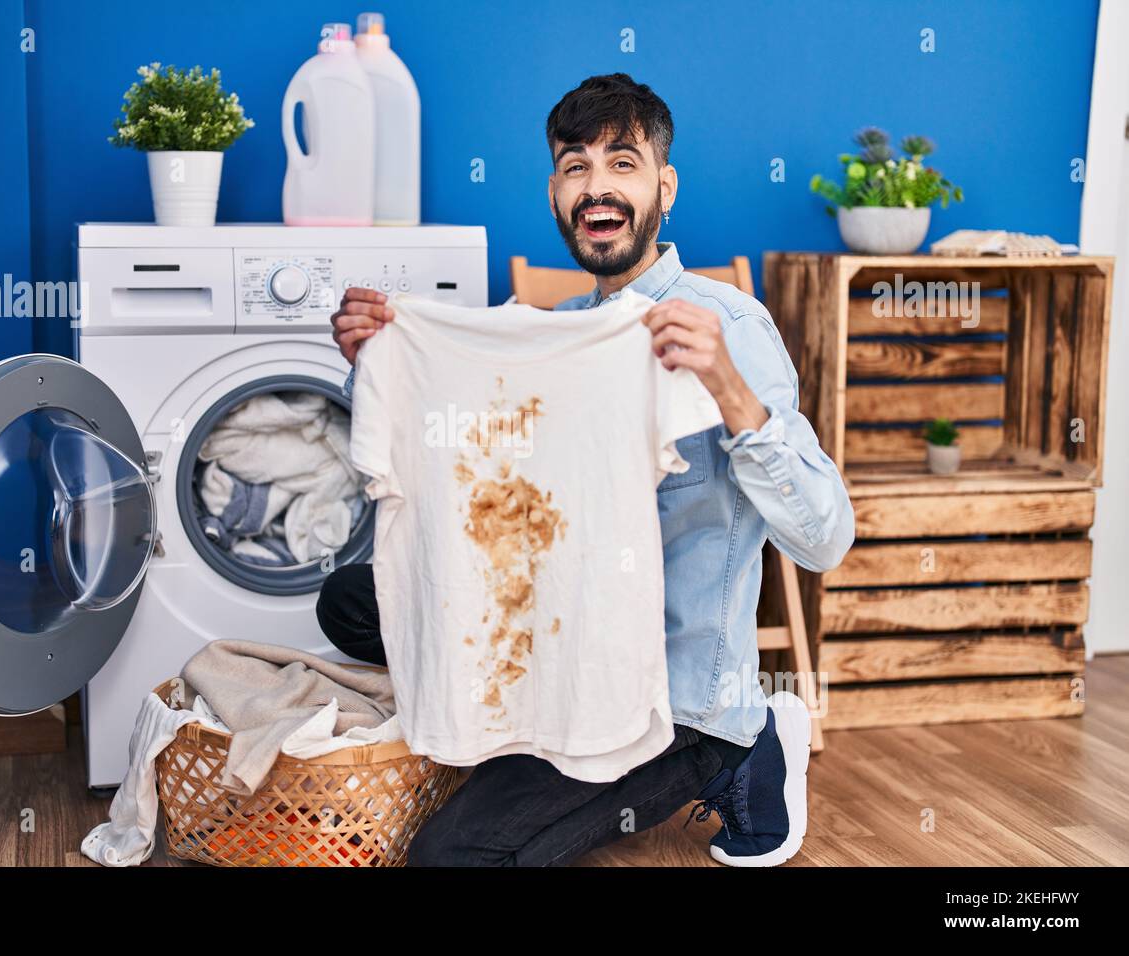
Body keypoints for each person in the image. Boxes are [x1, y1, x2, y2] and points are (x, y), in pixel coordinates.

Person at [319, 73, 854, 866]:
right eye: (576, 166)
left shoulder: (729, 328)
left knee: (451, 858)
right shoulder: (557, 334)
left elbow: (826, 538)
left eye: (622, 164)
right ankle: (526, 726)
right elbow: (471, 470)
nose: (597, 187)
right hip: (564, 645)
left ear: (664, 187)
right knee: (352, 601)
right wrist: (382, 365)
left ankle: (741, 749)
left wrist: (730, 391)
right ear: (554, 191)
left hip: (669, 693)